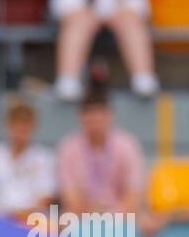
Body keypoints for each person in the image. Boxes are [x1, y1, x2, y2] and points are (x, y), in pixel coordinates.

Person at [56, 79, 144, 218]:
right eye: (90, 116)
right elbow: (70, 199)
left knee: (144, 222)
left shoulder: (127, 146)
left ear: (110, 115)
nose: (95, 122)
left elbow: (133, 196)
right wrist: (93, 212)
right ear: (81, 117)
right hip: (80, 219)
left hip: (120, 220)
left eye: (100, 115)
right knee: (63, 220)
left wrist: (111, 215)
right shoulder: (69, 148)